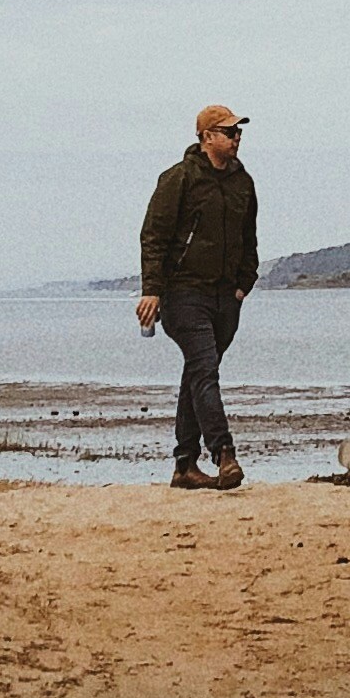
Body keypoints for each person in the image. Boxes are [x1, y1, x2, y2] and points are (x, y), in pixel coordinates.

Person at [137, 103, 258, 490]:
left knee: (197, 374)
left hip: (226, 296)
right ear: (207, 137)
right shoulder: (179, 179)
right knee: (204, 368)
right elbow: (153, 236)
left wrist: (244, 284)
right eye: (229, 132)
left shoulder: (243, 182)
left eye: (238, 132)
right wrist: (152, 291)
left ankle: (185, 465)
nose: (237, 138)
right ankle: (224, 454)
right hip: (183, 294)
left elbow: (249, 238)